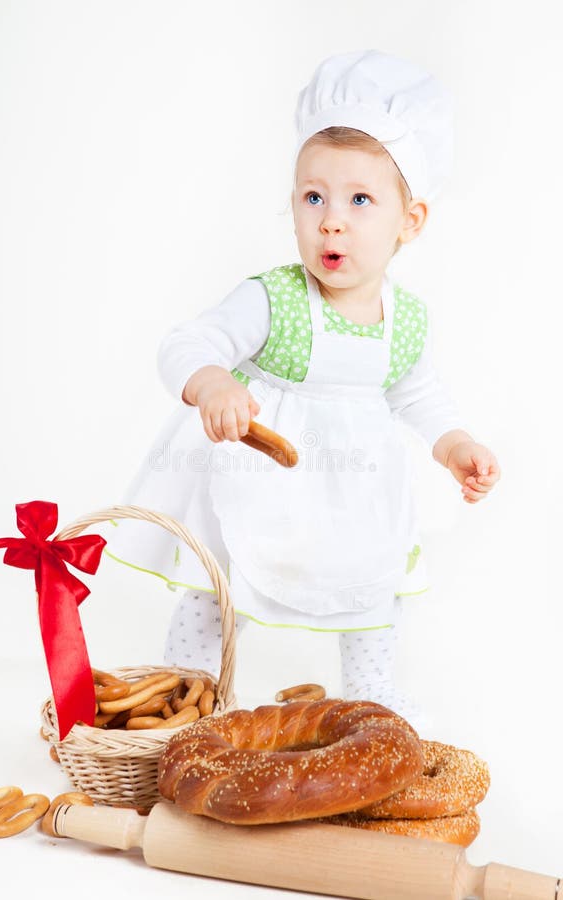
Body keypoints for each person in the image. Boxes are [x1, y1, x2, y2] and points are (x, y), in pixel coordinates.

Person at [105, 50, 500, 732]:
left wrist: (455, 443)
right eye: (313, 196)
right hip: (257, 478)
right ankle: (185, 697)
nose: (332, 220)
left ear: (410, 222)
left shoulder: (406, 320)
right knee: (218, 587)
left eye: (359, 200)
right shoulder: (271, 299)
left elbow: (417, 393)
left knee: (377, 591)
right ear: (293, 204)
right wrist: (212, 382)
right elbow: (187, 344)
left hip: (351, 492)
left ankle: (373, 706)